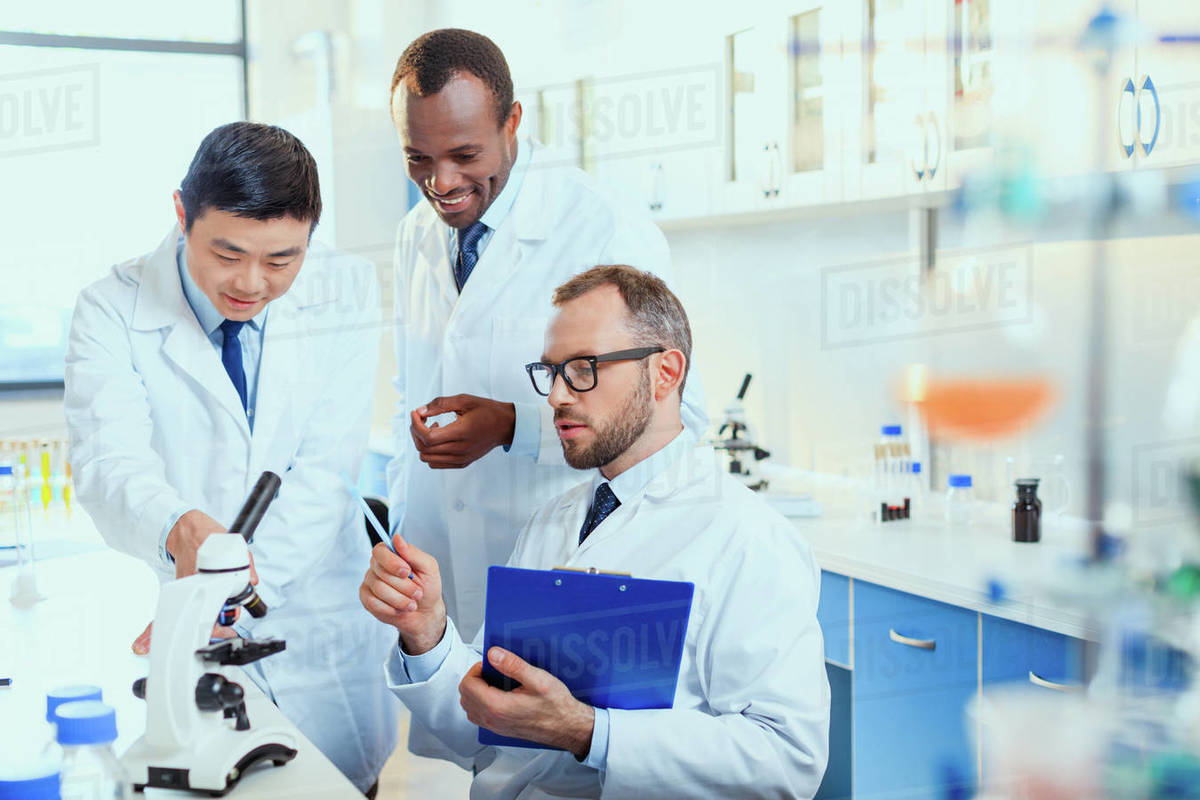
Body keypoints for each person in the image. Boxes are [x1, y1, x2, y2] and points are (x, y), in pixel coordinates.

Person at [362, 265, 830, 798]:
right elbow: (490, 718)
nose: (556, 396)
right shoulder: (552, 520)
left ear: (665, 372)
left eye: (583, 368)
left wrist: (588, 732)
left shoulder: (748, 538)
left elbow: (787, 761)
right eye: (551, 372)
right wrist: (426, 631)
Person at [64, 122, 398, 795]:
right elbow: (109, 461)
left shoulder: (347, 288)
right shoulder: (111, 309)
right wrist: (178, 526)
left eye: (282, 260)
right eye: (227, 253)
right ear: (182, 214)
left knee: (335, 785)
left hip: (318, 628)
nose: (252, 283)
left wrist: (231, 599)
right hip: (188, 615)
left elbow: (324, 472)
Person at [385, 28, 707, 648]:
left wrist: (512, 427)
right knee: (450, 703)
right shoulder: (414, 234)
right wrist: (402, 524)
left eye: (465, 154)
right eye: (417, 157)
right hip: (436, 573)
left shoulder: (604, 225)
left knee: (545, 708)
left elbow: (678, 417)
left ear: (512, 123)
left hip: (560, 570)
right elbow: (410, 392)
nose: (441, 182)